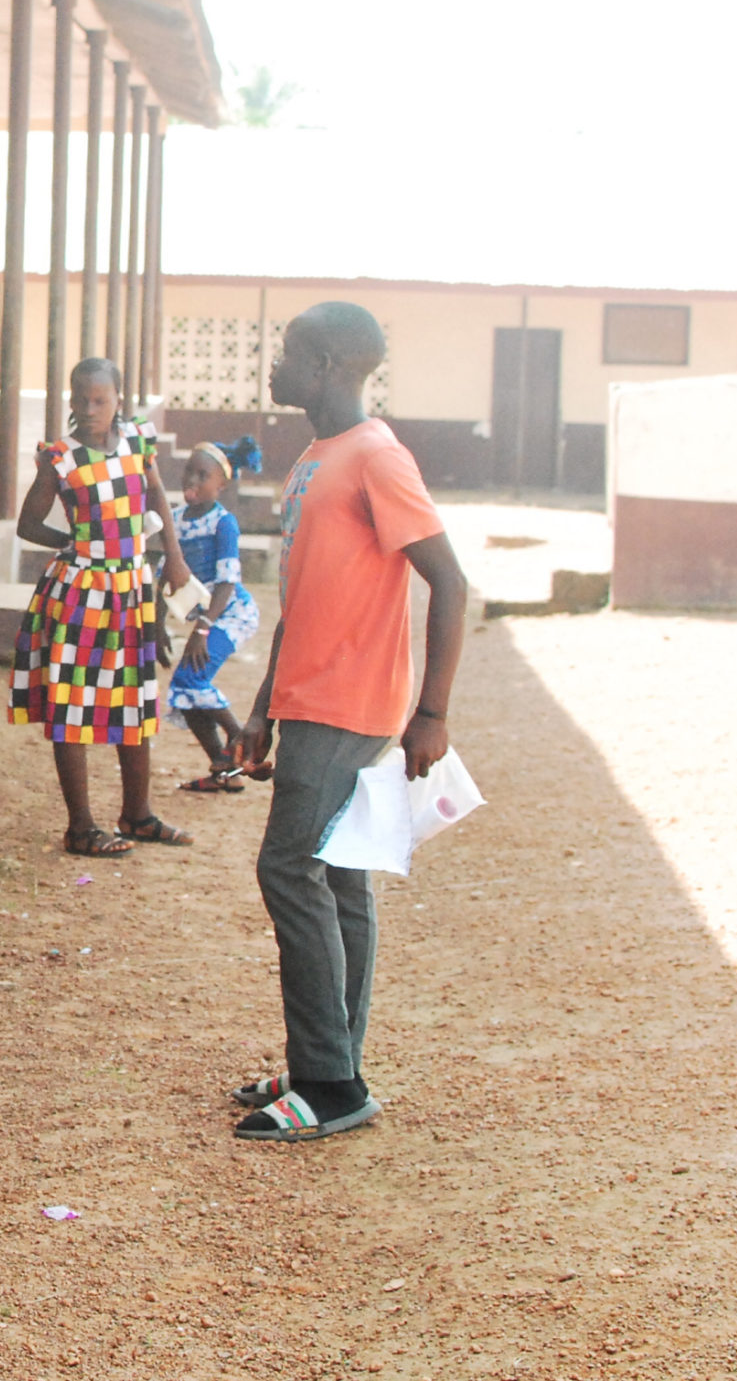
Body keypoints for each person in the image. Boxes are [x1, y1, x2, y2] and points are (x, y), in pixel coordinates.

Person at [231, 303, 466, 1143]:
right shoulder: (317, 457)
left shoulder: (377, 456)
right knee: (337, 878)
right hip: (309, 700)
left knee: (287, 868)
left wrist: (431, 712)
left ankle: (330, 1082)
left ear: (326, 364)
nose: (273, 367)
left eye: (287, 355)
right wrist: (263, 705)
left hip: (349, 708)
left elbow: (449, 580)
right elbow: (307, 595)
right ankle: (333, 1060)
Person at [8, 356, 192, 856]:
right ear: (69, 400)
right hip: (79, 595)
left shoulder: (138, 443)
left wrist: (173, 560)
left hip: (133, 589)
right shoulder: (60, 458)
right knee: (73, 701)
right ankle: (81, 826)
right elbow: (28, 524)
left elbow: (158, 503)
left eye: (100, 400)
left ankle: (138, 814)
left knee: (132, 695)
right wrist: (78, 546)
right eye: (81, 399)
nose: (89, 409)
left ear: (118, 402)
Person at [169, 439, 264, 793]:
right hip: (208, 618)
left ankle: (239, 737)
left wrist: (204, 628)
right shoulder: (176, 520)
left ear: (220, 485)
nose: (193, 479)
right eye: (189, 471)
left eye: (203, 474)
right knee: (184, 689)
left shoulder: (224, 523)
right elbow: (169, 574)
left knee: (189, 681)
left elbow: (227, 583)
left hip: (232, 613)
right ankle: (223, 769)